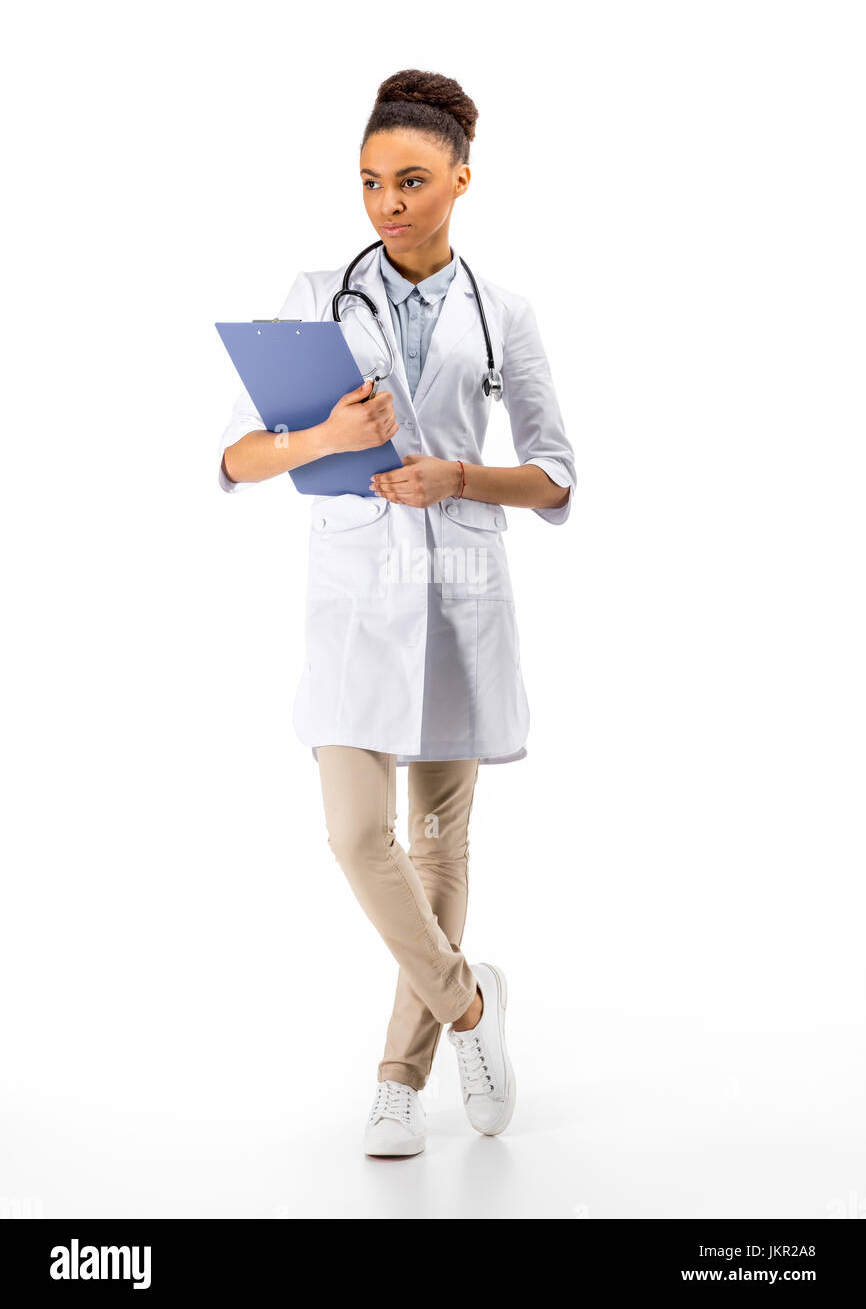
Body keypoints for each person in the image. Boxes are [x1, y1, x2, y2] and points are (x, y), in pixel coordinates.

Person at [218, 69, 576, 1158]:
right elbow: (236, 457)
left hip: (461, 597)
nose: (387, 203)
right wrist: (326, 439)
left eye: (412, 181)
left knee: (434, 843)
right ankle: (470, 1003)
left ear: (461, 181)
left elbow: (555, 477)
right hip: (351, 604)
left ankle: (396, 1071)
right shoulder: (314, 291)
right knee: (349, 832)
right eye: (371, 181)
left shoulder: (501, 312)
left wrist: (458, 477)